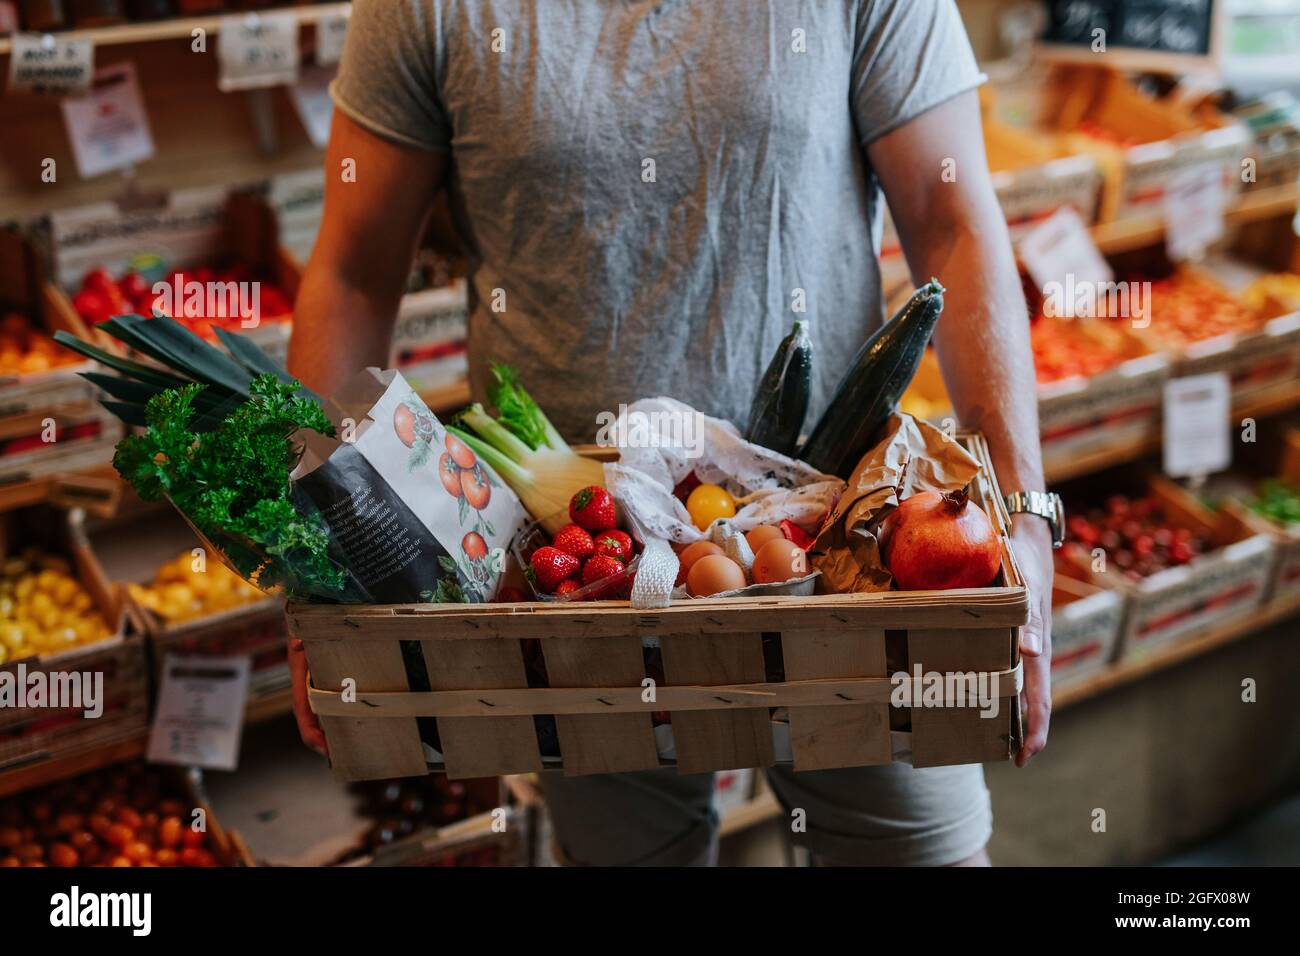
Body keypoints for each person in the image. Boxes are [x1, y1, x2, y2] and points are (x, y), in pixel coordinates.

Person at [287, 0, 1054, 867]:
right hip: (576, 582)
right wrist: (315, 566)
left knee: (921, 855)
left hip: (851, 546)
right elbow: (352, 272)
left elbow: (952, 219)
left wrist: (1021, 512)